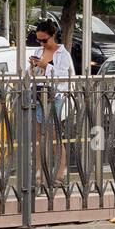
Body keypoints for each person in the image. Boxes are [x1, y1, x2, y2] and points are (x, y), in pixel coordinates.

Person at [29, 17, 76, 180]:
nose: (41, 44)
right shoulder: (38, 52)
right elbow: (32, 75)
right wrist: (33, 67)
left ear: (52, 35)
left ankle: (60, 172)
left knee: (54, 135)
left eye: (44, 40)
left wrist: (46, 66)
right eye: (38, 40)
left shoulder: (63, 54)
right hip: (39, 94)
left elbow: (66, 76)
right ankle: (39, 170)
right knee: (38, 134)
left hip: (55, 96)